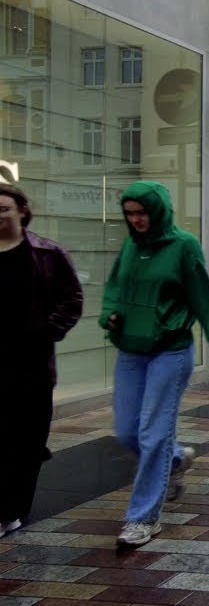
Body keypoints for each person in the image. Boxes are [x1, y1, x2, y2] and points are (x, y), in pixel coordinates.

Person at [101, 181, 209, 548]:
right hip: (131, 349)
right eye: (130, 213)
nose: (136, 219)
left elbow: (202, 294)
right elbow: (114, 287)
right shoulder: (131, 246)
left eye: (142, 212)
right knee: (127, 432)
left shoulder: (184, 245)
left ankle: (143, 518)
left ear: (158, 210)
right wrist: (108, 313)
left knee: (153, 434)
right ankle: (175, 459)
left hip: (171, 350)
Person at [0, 185, 83, 538]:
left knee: (27, 439)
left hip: (31, 364)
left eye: (4, 208)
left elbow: (72, 298)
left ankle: (12, 511)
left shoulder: (47, 253)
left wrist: (46, 331)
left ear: (22, 210)